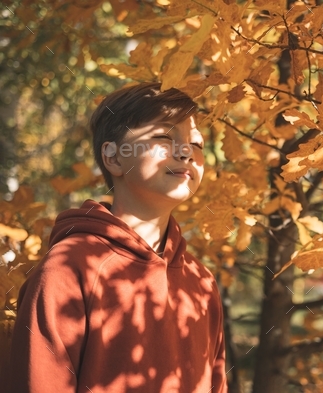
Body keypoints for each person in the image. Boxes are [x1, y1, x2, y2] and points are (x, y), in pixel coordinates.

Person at [7, 82, 228, 392]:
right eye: (164, 137)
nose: (186, 152)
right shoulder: (68, 271)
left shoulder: (201, 282)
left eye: (197, 144)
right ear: (113, 157)